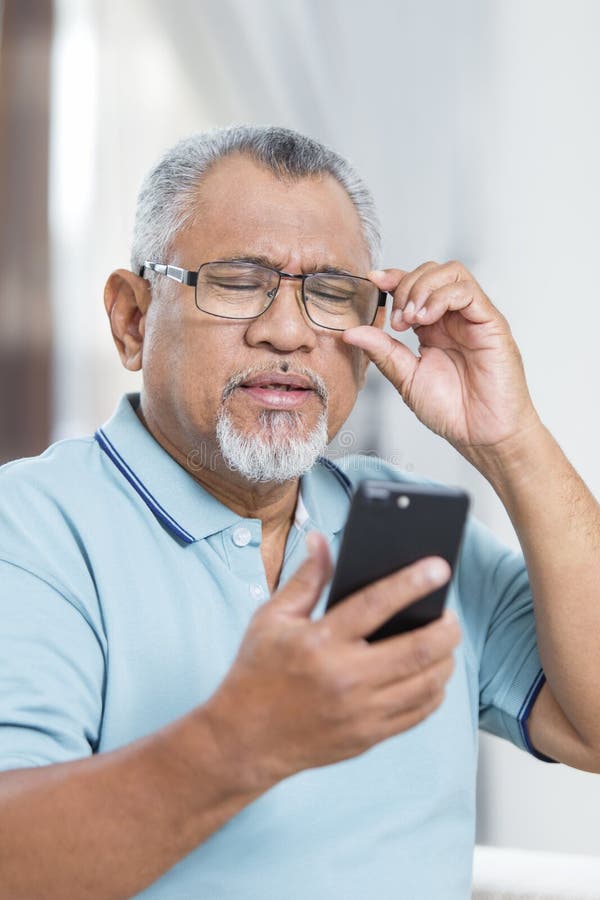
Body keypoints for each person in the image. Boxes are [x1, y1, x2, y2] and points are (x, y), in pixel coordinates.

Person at [0, 125, 598, 900]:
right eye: (237, 282)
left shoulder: (403, 524)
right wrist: (243, 740)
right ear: (131, 317)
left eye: (330, 294)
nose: (286, 331)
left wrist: (511, 440)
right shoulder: (35, 528)